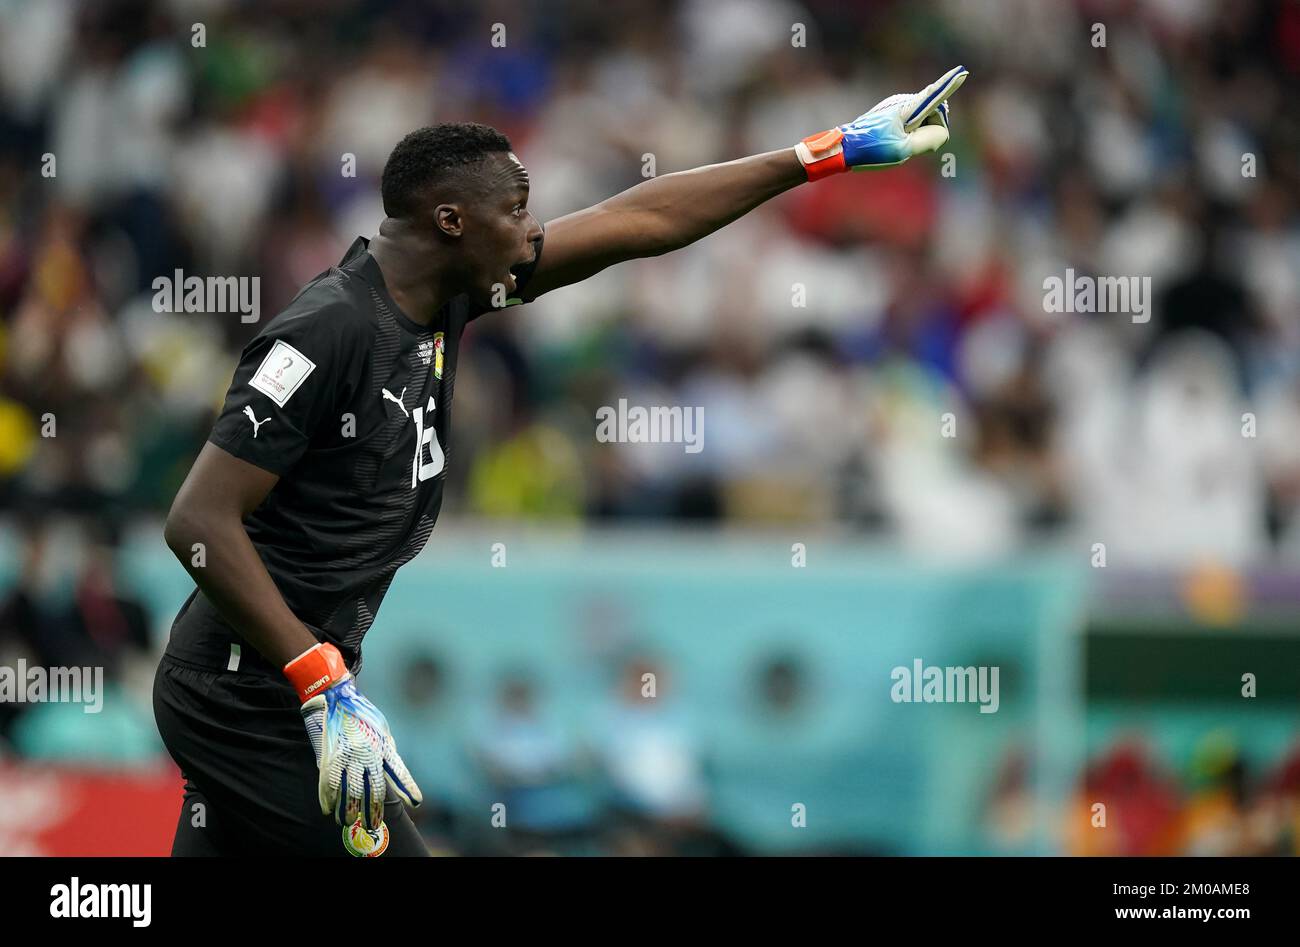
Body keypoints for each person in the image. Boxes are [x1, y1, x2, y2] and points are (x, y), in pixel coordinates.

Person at [153, 68, 969, 856]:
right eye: (516, 210)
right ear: (450, 222)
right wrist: (318, 676)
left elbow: (636, 222)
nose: (532, 230)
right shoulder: (327, 329)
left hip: (279, 689)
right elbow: (197, 520)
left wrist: (822, 154)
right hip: (246, 693)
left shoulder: (450, 295)